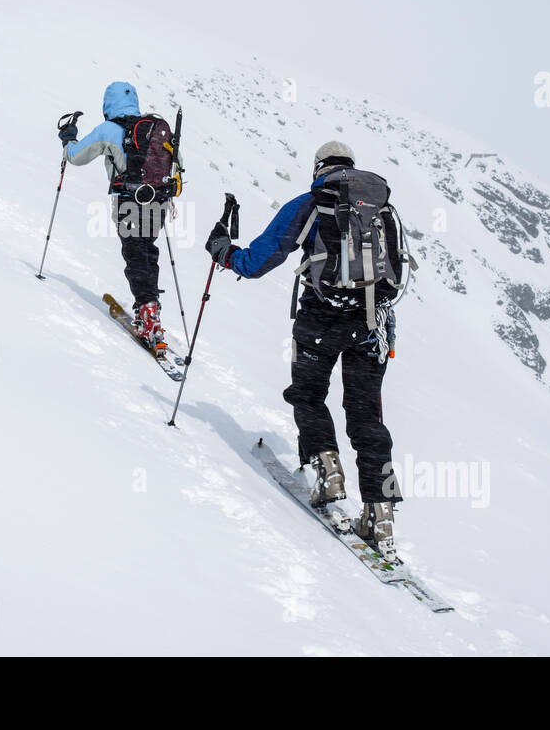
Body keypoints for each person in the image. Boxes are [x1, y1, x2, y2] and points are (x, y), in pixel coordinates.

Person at [205, 141, 406, 558]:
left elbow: (259, 260)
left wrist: (223, 251)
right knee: (368, 417)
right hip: (373, 324)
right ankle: (381, 510)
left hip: (320, 321)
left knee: (308, 396)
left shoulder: (311, 202)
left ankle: (328, 471)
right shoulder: (382, 208)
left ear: (318, 168)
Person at [60, 81, 178, 352]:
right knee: (147, 252)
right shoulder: (155, 128)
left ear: (107, 104)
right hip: (158, 201)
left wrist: (68, 139)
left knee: (135, 255)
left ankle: (147, 315)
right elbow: (176, 160)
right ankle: (152, 311)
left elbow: (75, 157)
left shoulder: (109, 129)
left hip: (129, 202)